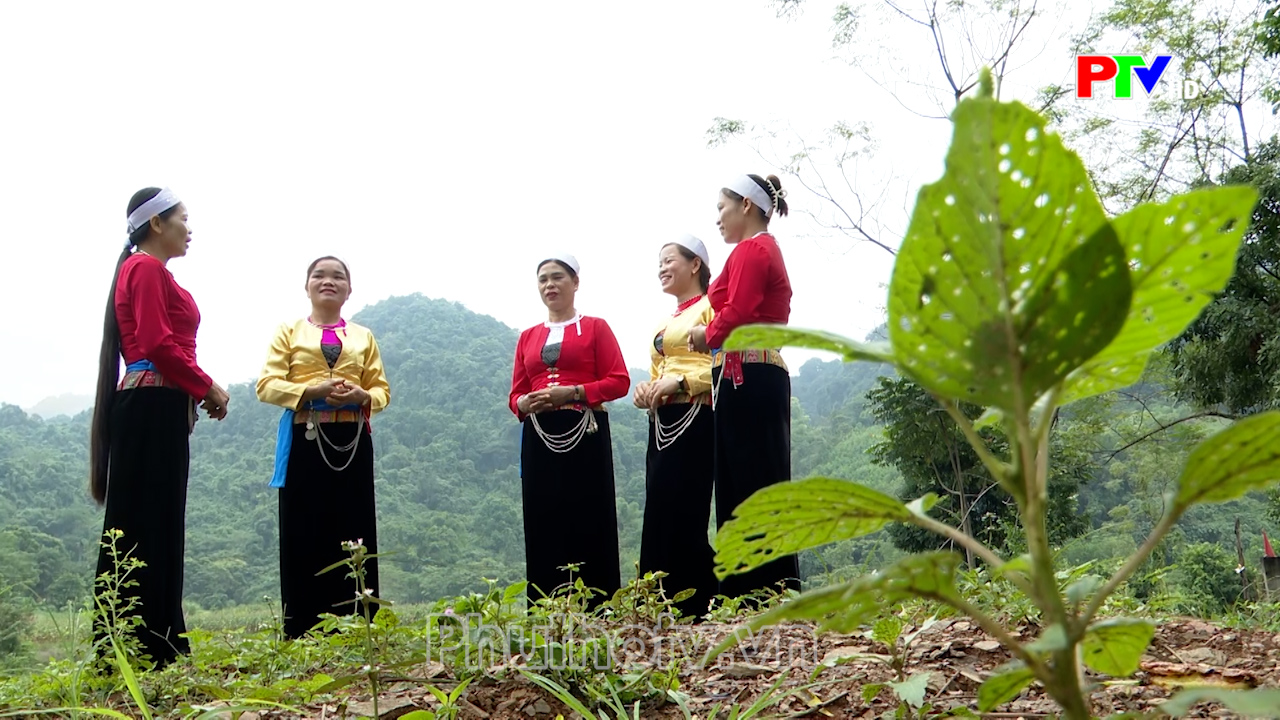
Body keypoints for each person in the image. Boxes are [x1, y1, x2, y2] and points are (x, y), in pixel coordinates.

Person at [89, 187, 230, 667]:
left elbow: (164, 346)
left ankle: (156, 645)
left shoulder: (149, 271)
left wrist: (192, 391)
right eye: (183, 218)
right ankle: (140, 649)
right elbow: (155, 342)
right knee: (145, 525)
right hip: (149, 406)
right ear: (156, 224)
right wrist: (206, 386)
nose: (189, 229)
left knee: (156, 523)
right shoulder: (145, 268)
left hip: (157, 406)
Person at [256, 256, 391, 639]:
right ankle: (302, 628)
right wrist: (310, 391)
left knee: (355, 525)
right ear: (307, 286)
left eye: (338, 276)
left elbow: (382, 391)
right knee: (303, 528)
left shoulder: (364, 337)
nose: (328, 281)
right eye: (319, 275)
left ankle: (357, 624)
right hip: (305, 438)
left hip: (353, 440)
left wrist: (363, 395)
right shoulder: (289, 332)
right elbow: (267, 385)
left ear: (349, 289)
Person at [689, 174, 802, 601]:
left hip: (748, 376)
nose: (718, 217)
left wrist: (705, 335)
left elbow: (736, 311)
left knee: (749, 480)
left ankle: (754, 587)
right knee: (750, 477)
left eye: (722, 207)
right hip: (749, 375)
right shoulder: (755, 251)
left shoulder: (753, 250)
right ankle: (759, 586)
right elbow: (723, 297)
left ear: (747, 206)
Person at [509, 253, 630, 610]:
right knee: (542, 517)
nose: (550, 285)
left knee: (589, 514)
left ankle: (598, 606)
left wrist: (575, 392)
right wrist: (524, 403)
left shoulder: (596, 328)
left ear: (575, 282)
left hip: (584, 430)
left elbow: (619, 381)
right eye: (543, 279)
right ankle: (546, 608)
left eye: (557, 277)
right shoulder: (527, 337)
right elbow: (516, 394)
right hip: (539, 435)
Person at [634, 235, 718, 621]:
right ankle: (656, 601)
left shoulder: (711, 307)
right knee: (658, 511)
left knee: (686, 510)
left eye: (669, 260)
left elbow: (722, 360)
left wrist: (683, 382)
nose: (662, 268)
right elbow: (658, 371)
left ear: (695, 264)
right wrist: (648, 389)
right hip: (664, 421)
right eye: (660, 263)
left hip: (697, 414)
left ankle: (697, 600)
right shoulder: (666, 321)